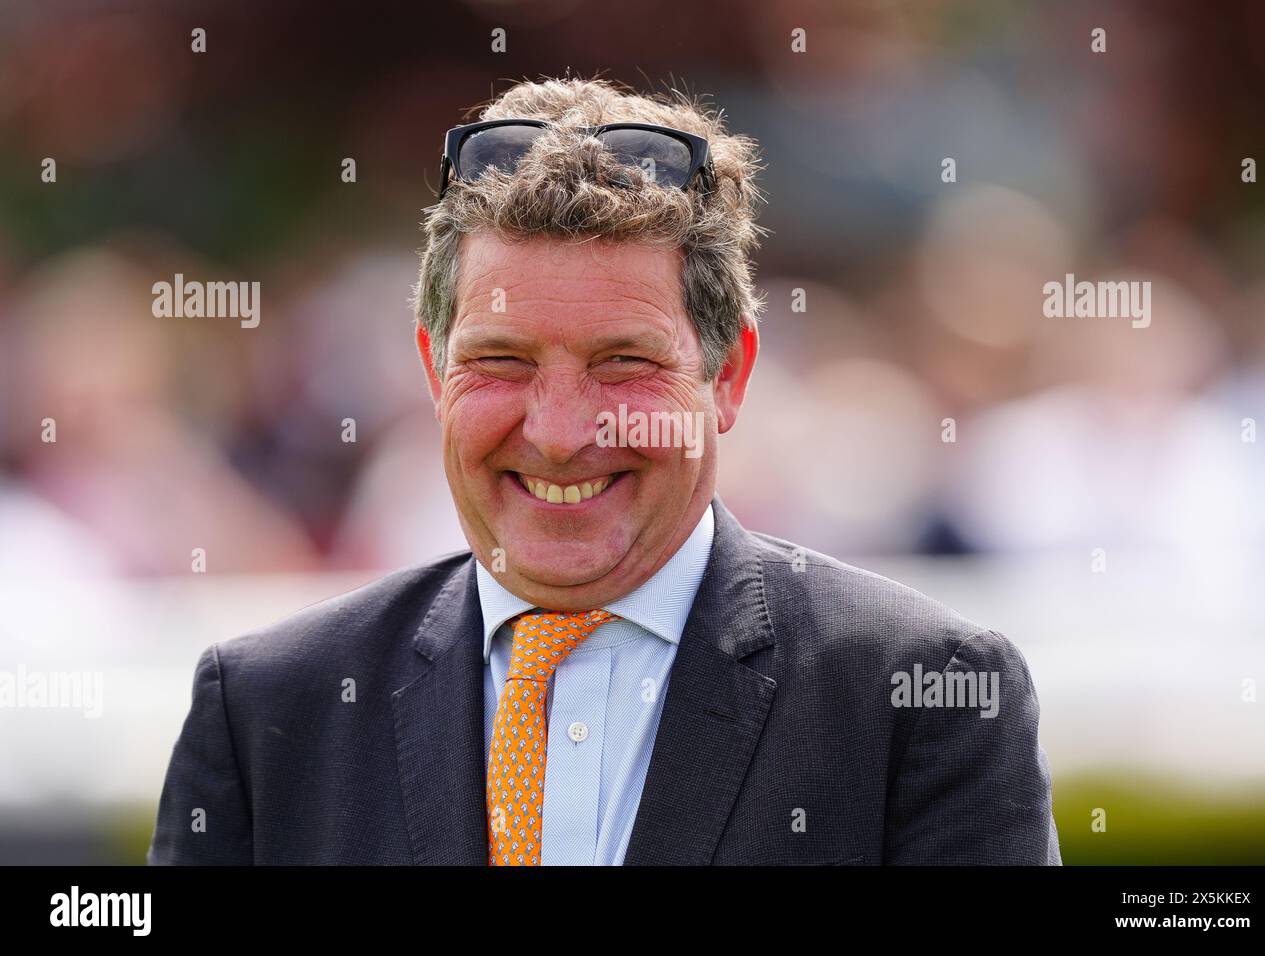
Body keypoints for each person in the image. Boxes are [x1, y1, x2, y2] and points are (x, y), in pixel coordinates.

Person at [148, 76, 1061, 865]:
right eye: (501, 362)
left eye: (623, 363)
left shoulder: (919, 696)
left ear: (729, 377)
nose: (558, 432)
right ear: (433, 372)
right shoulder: (269, 711)